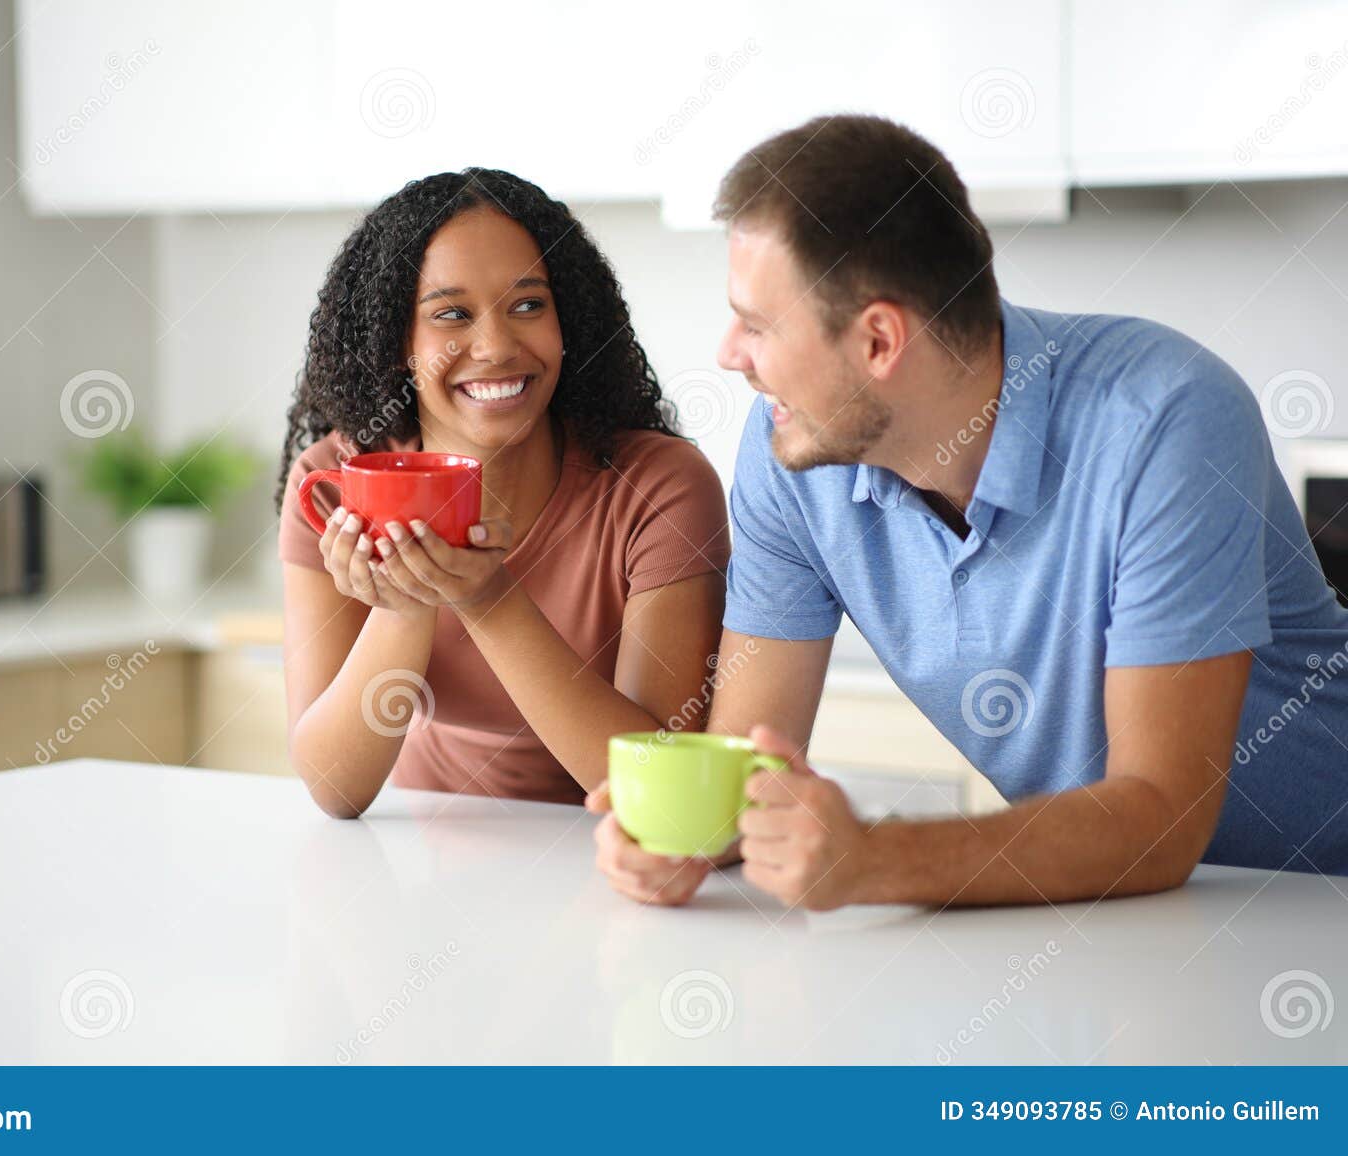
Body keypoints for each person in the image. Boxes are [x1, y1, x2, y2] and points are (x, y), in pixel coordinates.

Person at [591, 114, 1348, 909]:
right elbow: (752, 762)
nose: (729, 354)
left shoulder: (1166, 417)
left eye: (758, 324)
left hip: (1313, 902)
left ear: (880, 341)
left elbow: (1160, 818)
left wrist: (875, 860)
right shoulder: (792, 448)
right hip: (1112, 910)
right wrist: (687, 835)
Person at [278, 168, 729, 818]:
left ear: (567, 319)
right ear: (396, 338)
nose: (495, 346)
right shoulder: (335, 484)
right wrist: (405, 602)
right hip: (425, 862)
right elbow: (335, 787)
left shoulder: (658, 488)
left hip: (610, 866)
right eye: (451, 315)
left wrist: (485, 599)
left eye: (528, 305)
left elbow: (659, 795)